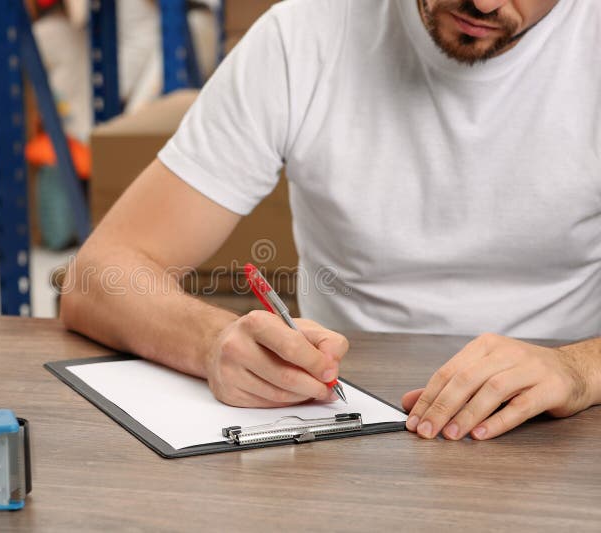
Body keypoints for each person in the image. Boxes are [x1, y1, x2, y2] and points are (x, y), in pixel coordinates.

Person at [60, 0, 601, 441]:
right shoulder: (304, 36)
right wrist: (213, 340)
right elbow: (97, 277)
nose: (482, 2)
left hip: (563, 429)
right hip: (346, 421)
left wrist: (578, 369)